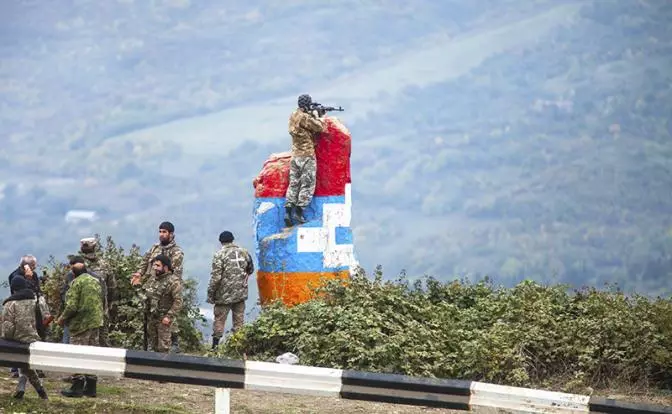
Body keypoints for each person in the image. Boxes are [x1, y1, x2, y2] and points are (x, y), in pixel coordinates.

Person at [131, 221, 184, 352]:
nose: (161, 234)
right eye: (160, 231)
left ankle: (172, 343)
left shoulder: (176, 252)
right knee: (151, 320)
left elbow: (173, 271)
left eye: (164, 232)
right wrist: (139, 273)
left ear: (171, 234)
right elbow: (145, 261)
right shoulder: (154, 248)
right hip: (152, 285)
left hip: (166, 287)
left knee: (166, 318)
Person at [57, 256, 104, 398]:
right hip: (95, 323)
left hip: (80, 324)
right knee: (92, 354)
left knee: (77, 354)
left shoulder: (76, 283)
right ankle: (91, 387)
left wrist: (62, 319)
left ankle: (77, 387)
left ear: (74, 272)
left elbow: (72, 306)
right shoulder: (95, 281)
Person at [1, 276, 49, 400]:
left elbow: (8, 326)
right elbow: (45, 317)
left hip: (17, 339)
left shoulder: (10, 303)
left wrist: (6, 339)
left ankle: (36, 390)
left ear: (13, 288)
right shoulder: (36, 300)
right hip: (35, 337)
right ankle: (36, 391)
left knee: (21, 361)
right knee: (24, 363)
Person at [206, 231, 254, 350]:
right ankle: (238, 348)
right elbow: (250, 269)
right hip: (240, 294)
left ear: (221, 241)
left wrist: (210, 294)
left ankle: (215, 347)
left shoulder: (219, 255)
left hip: (224, 296)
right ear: (233, 240)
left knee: (219, 321)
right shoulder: (244, 252)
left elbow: (216, 277)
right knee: (239, 322)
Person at [284, 94, 326, 227]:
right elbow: (320, 127)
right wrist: (317, 115)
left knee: (294, 184)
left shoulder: (293, 115)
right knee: (307, 184)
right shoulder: (305, 117)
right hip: (306, 155)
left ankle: (288, 211)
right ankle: (299, 211)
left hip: (295, 155)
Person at [142, 254, 183, 353]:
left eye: (158, 265)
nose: (155, 268)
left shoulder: (173, 282)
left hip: (164, 320)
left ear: (165, 267)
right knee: (152, 346)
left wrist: (169, 316)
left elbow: (178, 301)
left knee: (163, 348)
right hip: (152, 318)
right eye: (154, 265)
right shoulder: (153, 279)